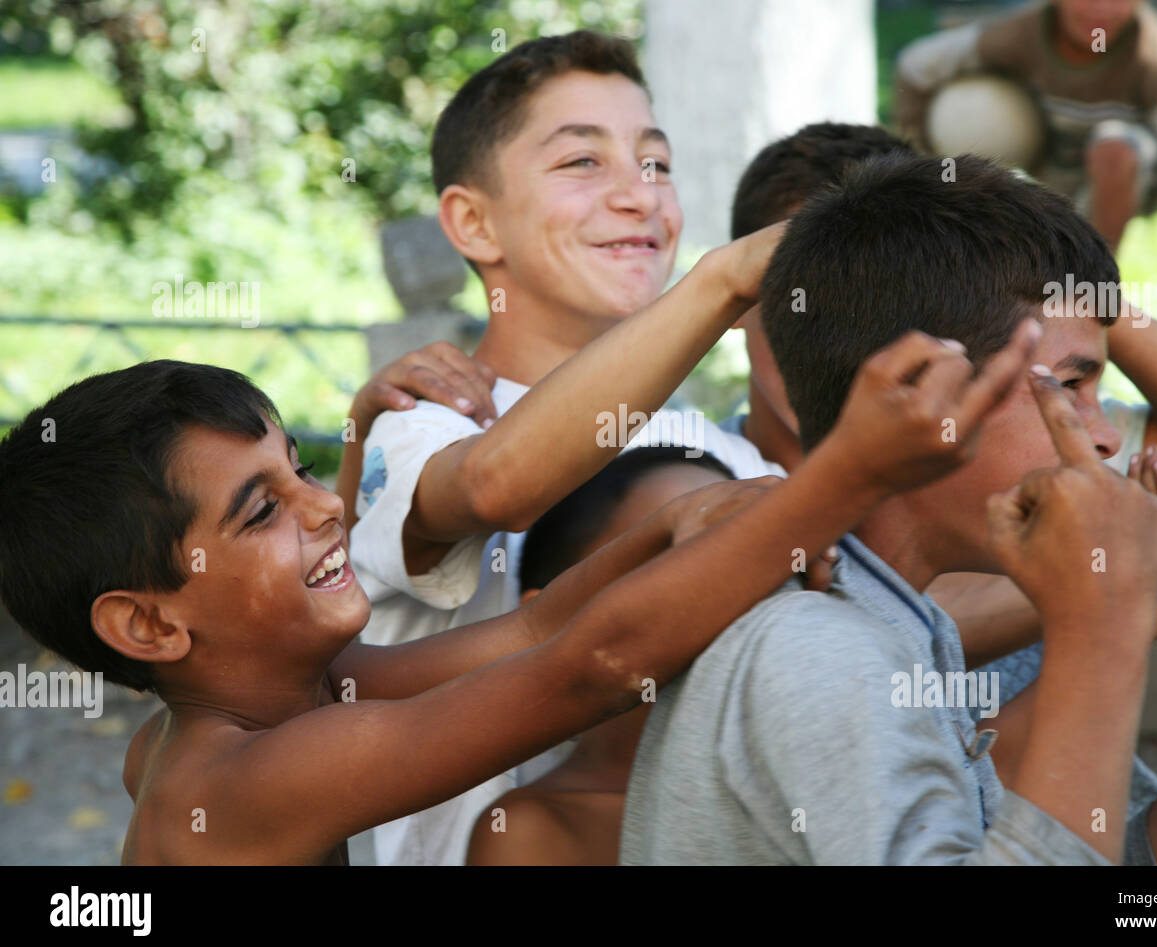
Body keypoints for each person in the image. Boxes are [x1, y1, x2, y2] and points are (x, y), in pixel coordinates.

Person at [0, 324, 1031, 863]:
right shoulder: (253, 778)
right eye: (259, 510)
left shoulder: (239, 715)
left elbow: (538, 623)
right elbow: (587, 666)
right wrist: (842, 475)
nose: (324, 508)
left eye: (303, 467)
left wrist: (665, 529)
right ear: (145, 622)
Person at [620, 154, 1157, 865]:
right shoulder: (815, 650)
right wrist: (1102, 633)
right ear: (924, 392)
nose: (1102, 435)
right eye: (1070, 384)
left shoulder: (897, 628)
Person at [340, 30, 788, 866]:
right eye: (583, 163)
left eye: (655, 163)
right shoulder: (423, 419)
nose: (638, 196)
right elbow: (495, 485)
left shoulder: (721, 455)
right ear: (472, 222)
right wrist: (720, 284)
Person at [893, 0, 1157, 346]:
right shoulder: (1022, 34)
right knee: (977, 118)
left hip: (1126, 174)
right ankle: (990, 292)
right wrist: (926, 166)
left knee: (1113, 149)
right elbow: (917, 64)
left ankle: (1088, 291)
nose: (1098, 10)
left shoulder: (1155, 59)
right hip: (1051, 169)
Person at [466, 447, 736, 865]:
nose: (718, 585)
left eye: (740, 550)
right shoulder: (535, 832)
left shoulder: (794, 786)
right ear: (558, 618)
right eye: (678, 555)